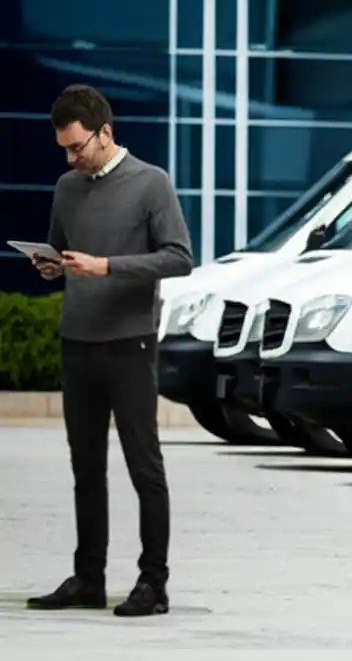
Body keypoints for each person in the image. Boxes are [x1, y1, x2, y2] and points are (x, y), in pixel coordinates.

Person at [25, 84, 194, 617]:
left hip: (129, 343)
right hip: (78, 342)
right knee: (86, 469)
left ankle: (154, 584)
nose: (72, 158)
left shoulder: (151, 183)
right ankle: (88, 579)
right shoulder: (66, 187)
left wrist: (109, 266)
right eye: (65, 151)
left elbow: (179, 257)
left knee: (145, 467)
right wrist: (53, 266)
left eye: (78, 147)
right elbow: (62, 251)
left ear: (106, 132)